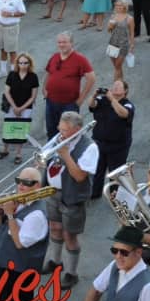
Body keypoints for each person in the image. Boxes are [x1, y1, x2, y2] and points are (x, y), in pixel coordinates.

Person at [0, 166, 49, 301]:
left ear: (37, 186)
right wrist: (1, 214)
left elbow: (19, 243)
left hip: (23, 266)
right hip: (6, 259)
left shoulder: (36, 214)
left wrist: (9, 214)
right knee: (4, 294)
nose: (21, 186)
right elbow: (2, 227)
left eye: (27, 183)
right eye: (19, 181)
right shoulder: (21, 202)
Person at [42, 111, 98, 290]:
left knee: (69, 235)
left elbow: (80, 176)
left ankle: (71, 273)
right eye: (60, 128)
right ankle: (55, 261)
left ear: (78, 129)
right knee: (54, 227)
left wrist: (65, 154)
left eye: (65, 130)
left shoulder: (89, 147)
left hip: (72, 196)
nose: (61, 133)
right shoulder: (60, 139)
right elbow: (48, 159)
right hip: (53, 192)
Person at [43, 32, 97, 139]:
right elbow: (48, 73)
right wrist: (44, 89)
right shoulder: (54, 57)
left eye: (64, 42)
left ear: (71, 43)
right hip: (51, 102)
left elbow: (91, 78)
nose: (61, 45)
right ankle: (52, 150)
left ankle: (67, 151)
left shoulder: (80, 59)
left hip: (69, 105)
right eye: (59, 42)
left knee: (68, 134)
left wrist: (81, 99)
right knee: (51, 131)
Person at [89, 80, 134, 199]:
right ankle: (94, 192)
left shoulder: (127, 104)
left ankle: (115, 197)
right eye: (114, 86)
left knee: (115, 173)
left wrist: (112, 99)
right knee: (97, 169)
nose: (115, 88)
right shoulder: (103, 100)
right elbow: (92, 105)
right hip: (100, 142)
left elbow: (124, 114)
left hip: (118, 146)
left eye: (119, 86)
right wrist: (94, 95)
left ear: (125, 91)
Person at [0, 54, 38, 162]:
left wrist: (21, 109)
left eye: (25, 63)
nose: (23, 65)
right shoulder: (12, 75)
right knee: (8, 128)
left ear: (29, 64)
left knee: (21, 130)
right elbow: (7, 92)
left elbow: (33, 97)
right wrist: (15, 107)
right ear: (17, 63)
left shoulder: (33, 77)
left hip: (26, 108)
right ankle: (5, 150)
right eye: (20, 63)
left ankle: (18, 154)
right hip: (11, 106)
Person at [106, 0, 137, 82]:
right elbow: (109, 30)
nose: (118, 7)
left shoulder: (130, 18)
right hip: (113, 43)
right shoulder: (113, 16)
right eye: (117, 5)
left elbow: (132, 33)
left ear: (125, 6)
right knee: (117, 67)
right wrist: (110, 26)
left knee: (117, 66)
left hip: (123, 45)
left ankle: (115, 84)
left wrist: (132, 45)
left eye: (121, 5)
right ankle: (121, 83)